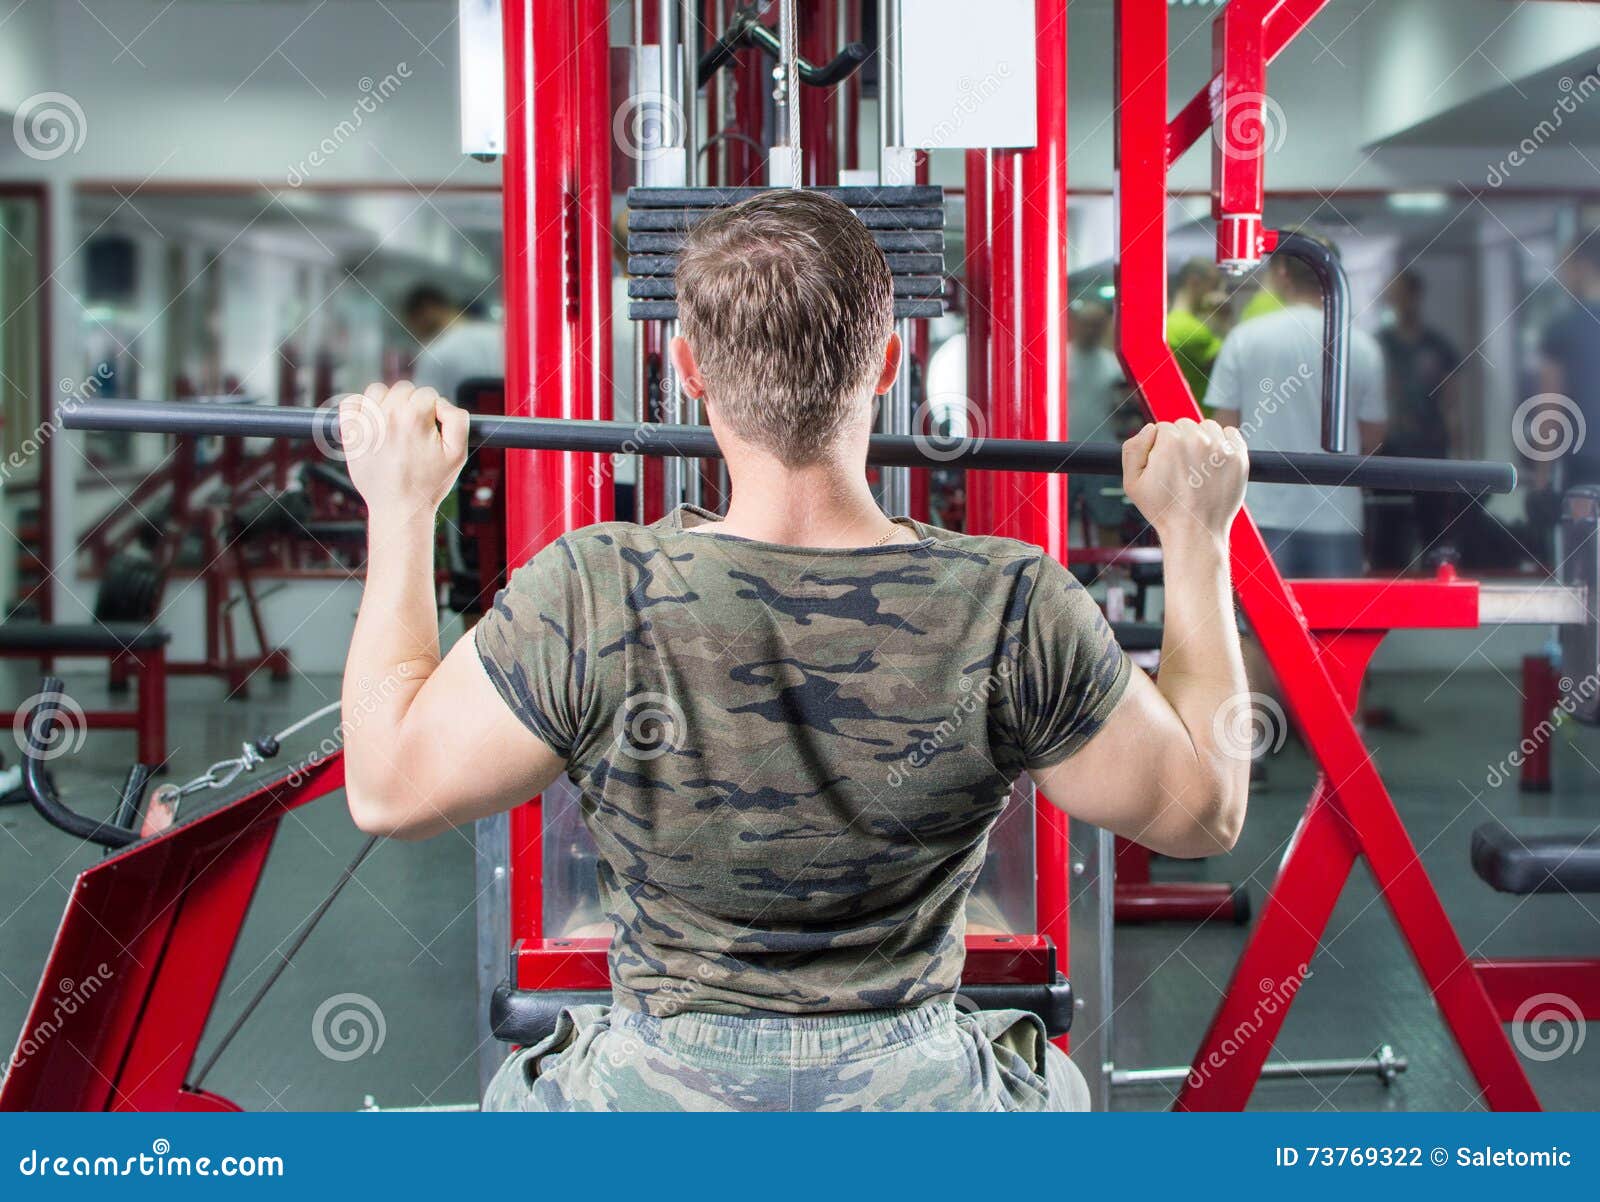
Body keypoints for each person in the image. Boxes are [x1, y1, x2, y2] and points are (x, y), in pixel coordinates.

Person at [335, 192, 1251, 1112]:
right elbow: (1203, 814)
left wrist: (402, 508)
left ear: (689, 372)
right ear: (890, 364)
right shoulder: (1008, 597)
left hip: (651, 1101)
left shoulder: (595, 587)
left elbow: (386, 788)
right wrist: (1197, 537)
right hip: (920, 1100)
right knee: (1058, 1092)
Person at [1209, 234, 1387, 578]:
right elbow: (1373, 438)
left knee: (1252, 630)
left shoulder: (1245, 338)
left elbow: (1225, 432)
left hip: (1260, 517)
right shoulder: (1363, 346)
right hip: (1337, 518)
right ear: (1337, 276)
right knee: (1335, 630)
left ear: (1281, 274)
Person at [1376, 269, 1464, 566]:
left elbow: (1452, 406)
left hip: (1430, 453)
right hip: (1389, 453)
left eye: (1401, 294)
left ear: (1415, 296)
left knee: (1435, 536)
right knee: (1388, 538)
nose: (1397, 301)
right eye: (1392, 295)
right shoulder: (1379, 346)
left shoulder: (1436, 346)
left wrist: (1460, 458)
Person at [1537, 235, 1600, 491]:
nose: (1562, 277)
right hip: (1583, 459)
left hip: (1583, 462)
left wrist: (1542, 477)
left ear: (1582, 267)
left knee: (1584, 531)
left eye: (1565, 267)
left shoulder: (1562, 329)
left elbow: (1550, 406)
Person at [1067, 300, 1131, 541]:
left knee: (1109, 520)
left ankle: (1110, 576)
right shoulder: (1057, 360)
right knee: (1054, 523)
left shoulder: (1113, 365)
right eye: (1087, 324)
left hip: (1102, 452)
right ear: (1076, 324)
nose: (1091, 330)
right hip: (1060, 453)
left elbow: (1126, 405)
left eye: (1097, 325)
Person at [402, 283, 504, 409]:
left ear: (427, 311)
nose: (416, 331)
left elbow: (423, 408)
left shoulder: (433, 353)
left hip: (461, 427)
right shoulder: (498, 335)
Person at [1168, 258, 1226, 408]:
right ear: (1194, 282)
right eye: (1214, 287)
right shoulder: (1190, 329)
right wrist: (1222, 320)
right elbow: (1231, 364)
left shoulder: (1170, 323)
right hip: (1201, 417)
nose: (1218, 295)